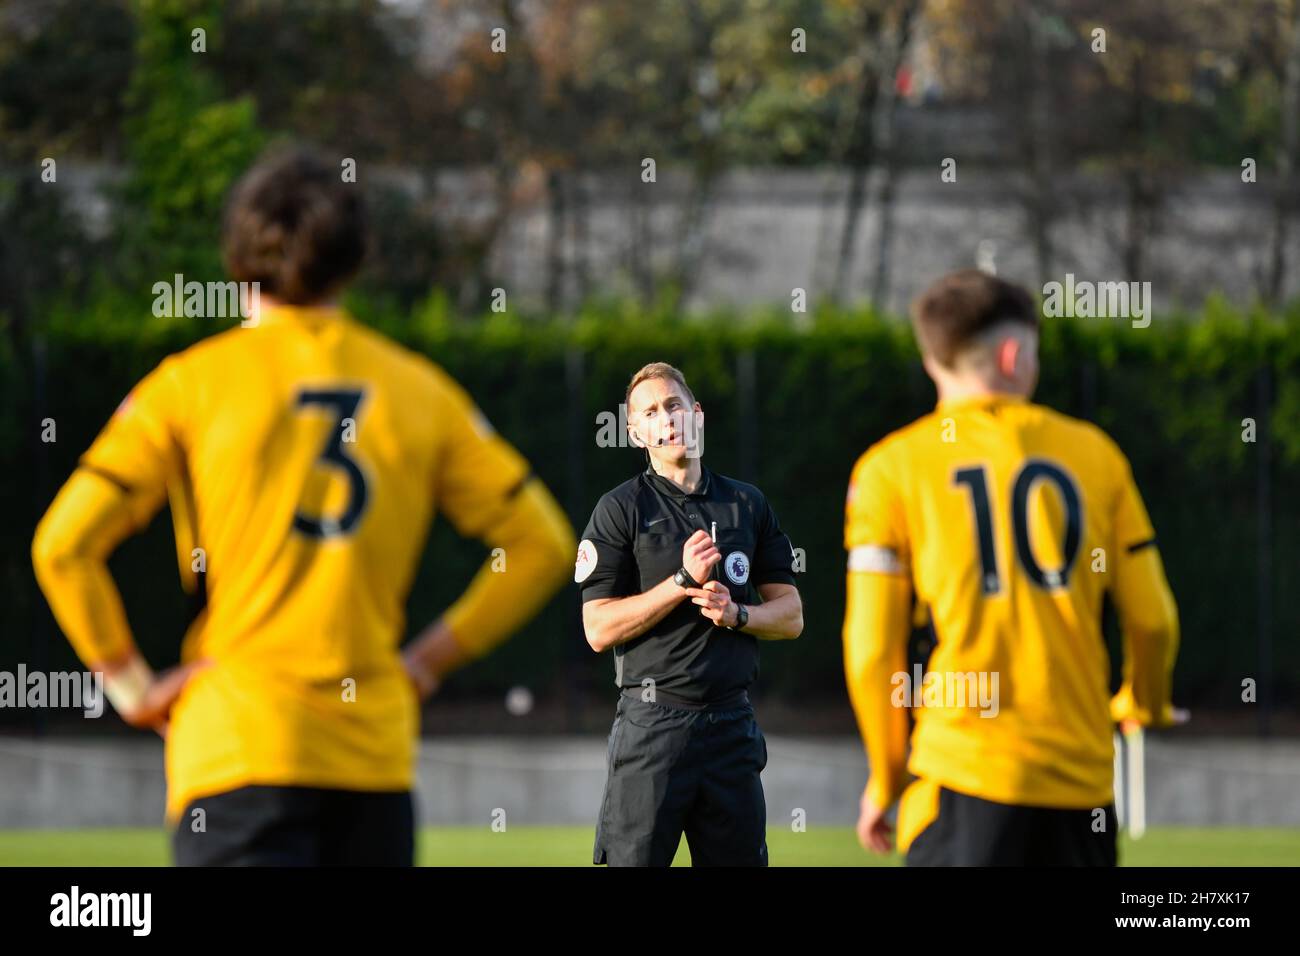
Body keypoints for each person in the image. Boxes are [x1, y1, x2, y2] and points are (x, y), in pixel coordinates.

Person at [30, 146, 575, 866]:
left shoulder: (190, 384)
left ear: (237, 253)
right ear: (355, 258)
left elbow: (62, 547)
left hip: (239, 749)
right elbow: (542, 543)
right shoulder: (419, 392)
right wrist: (425, 663)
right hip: (371, 765)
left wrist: (131, 687)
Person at [842, 269, 1181, 866]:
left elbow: (872, 650)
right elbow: (1153, 620)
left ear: (933, 360)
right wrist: (1142, 702)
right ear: (1012, 353)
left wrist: (886, 777)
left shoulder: (891, 468)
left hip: (963, 777)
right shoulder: (1096, 455)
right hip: (1082, 793)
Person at [578, 362, 803, 866]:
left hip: (730, 726)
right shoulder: (619, 510)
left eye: (674, 405)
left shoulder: (748, 504)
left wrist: (738, 615)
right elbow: (597, 629)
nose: (667, 419)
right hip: (652, 728)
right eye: (651, 412)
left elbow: (791, 616)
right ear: (635, 432)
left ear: (696, 414)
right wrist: (680, 583)